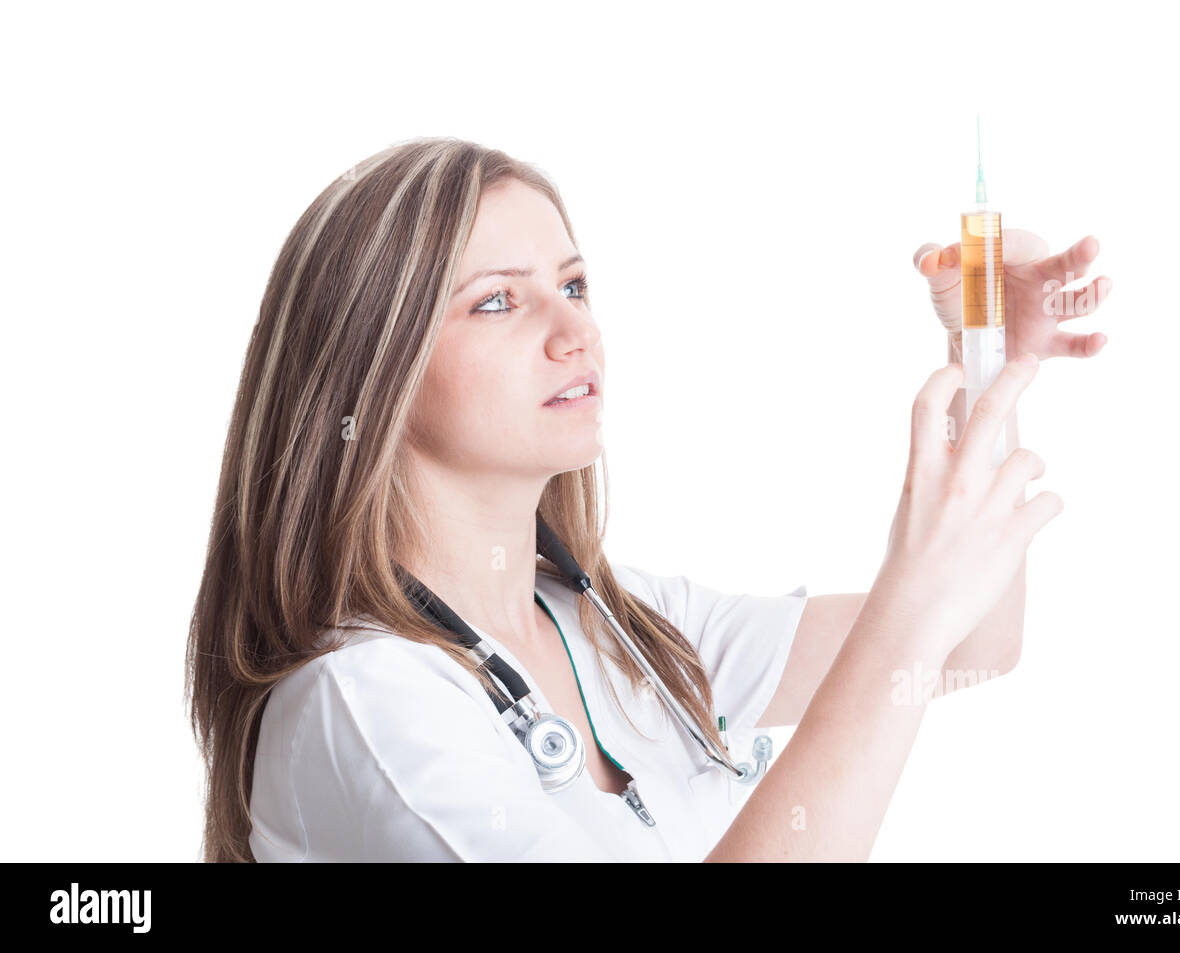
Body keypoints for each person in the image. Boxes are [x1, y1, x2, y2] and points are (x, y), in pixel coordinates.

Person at [184, 136, 1111, 862]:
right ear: (367, 373)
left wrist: (987, 359)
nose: (572, 329)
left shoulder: (627, 630)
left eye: (575, 284)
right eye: (498, 302)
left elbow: (971, 645)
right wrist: (912, 599)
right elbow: (919, 636)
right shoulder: (362, 704)